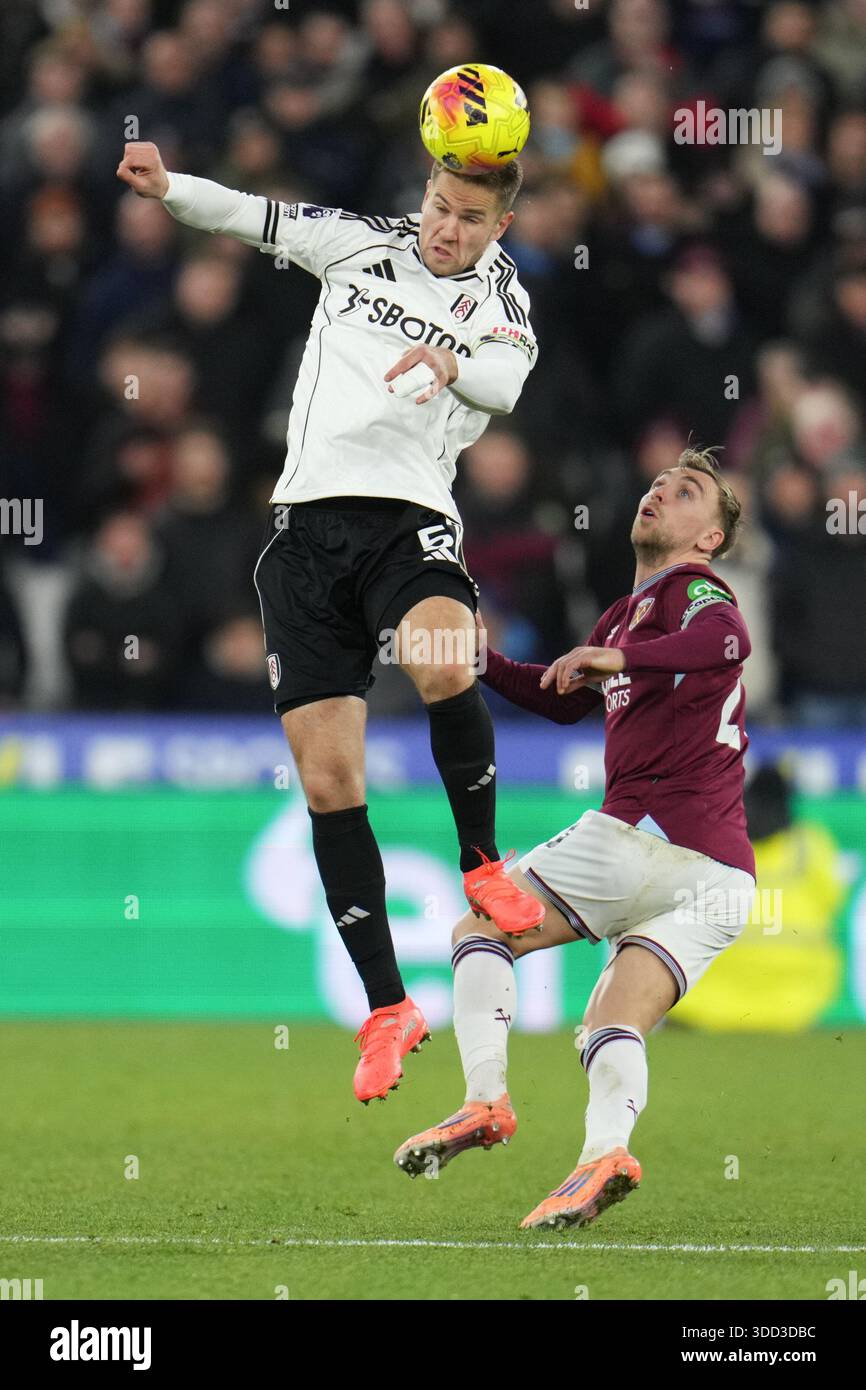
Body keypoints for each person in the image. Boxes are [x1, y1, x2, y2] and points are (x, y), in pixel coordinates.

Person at [115, 139, 545, 1106]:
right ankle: (388, 1006)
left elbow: (507, 385)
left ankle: (482, 865)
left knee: (441, 660)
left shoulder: (503, 304)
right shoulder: (358, 246)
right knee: (328, 781)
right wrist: (170, 184)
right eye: (440, 205)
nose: (448, 227)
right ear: (424, 195)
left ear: (500, 227)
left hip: (409, 523)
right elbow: (253, 215)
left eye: (471, 218)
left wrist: (450, 359)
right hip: (304, 538)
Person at [394, 447, 757, 1231]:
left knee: (481, 929)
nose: (660, 489)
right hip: (722, 878)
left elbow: (730, 641)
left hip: (651, 836)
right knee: (609, 1022)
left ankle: (485, 1101)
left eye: (687, 490)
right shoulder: (623, 618)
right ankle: (604, 1156)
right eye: (658, 480)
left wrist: (618, 654)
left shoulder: (694, 594)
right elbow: (563, 699)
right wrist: (479, 661)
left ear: (711, 539)